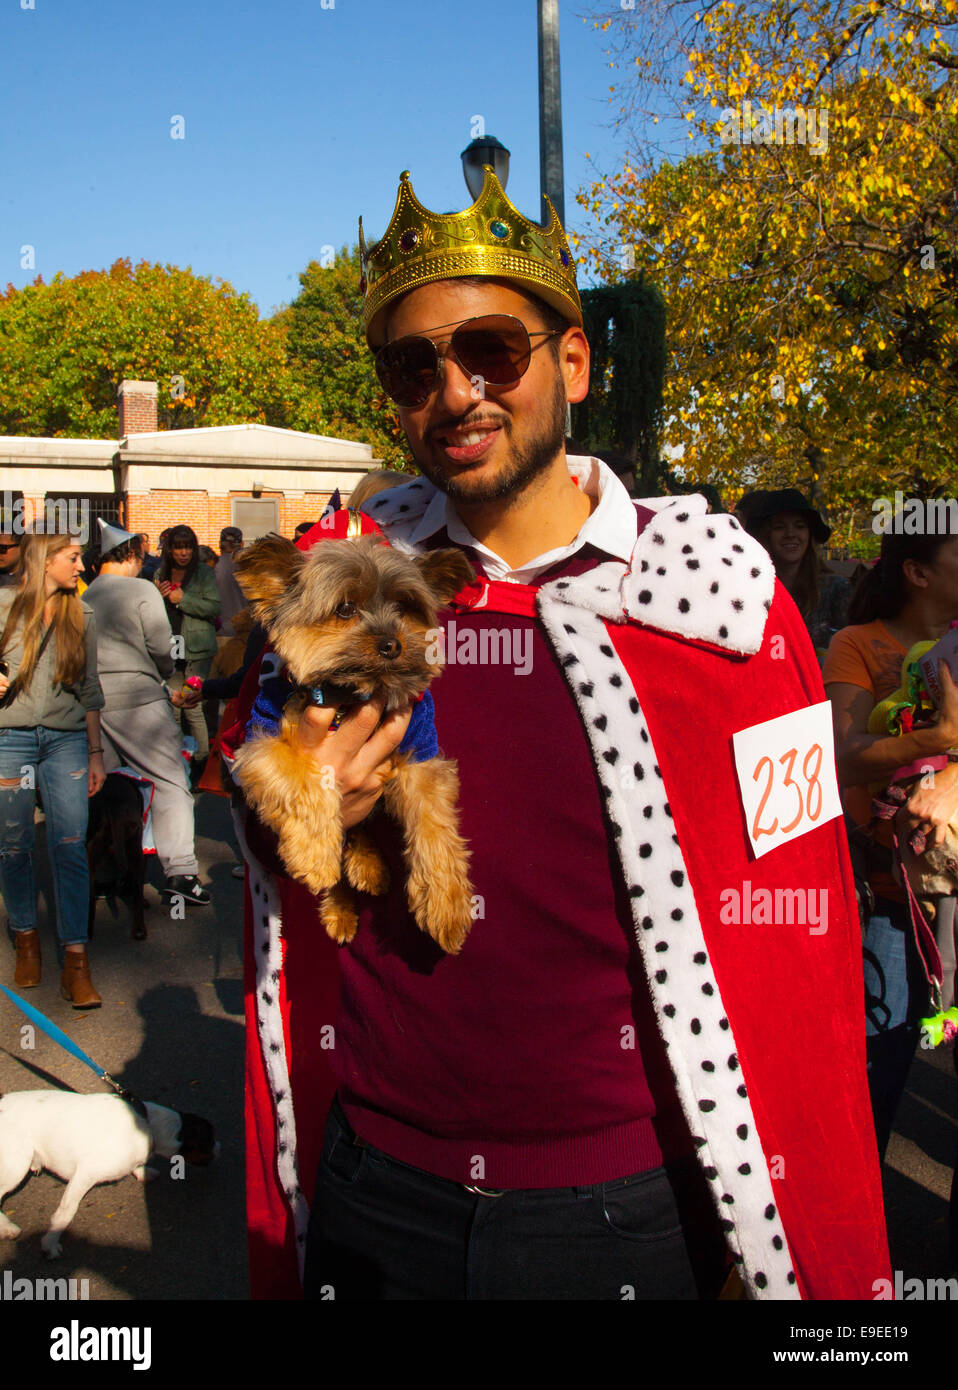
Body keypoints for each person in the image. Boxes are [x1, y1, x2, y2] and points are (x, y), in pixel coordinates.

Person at [230, 166, 890, 1300]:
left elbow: (798, 917)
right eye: (413, 365)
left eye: (492, 349)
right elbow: (255, 829)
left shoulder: (718, 602)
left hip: (622, 1216)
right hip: (374, 1183)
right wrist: (289, 812)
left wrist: (757, 1220)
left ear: (572, 361)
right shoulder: (341, 582)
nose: (456, 392)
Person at [823, 522, 958, 1156]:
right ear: (918, 571)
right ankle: (857, 1246)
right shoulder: (857, 644)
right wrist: (932, 740)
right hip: (892, 904)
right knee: (870, 1088)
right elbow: (844, 759)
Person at [0, 531, 106, 1007]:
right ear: (46, 562)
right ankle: (26, 940)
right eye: (73, 558)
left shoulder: (82, 614)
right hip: (10, 738)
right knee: (15, 844)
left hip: (65, 743)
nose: (81, 567)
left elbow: (90, 689)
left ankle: (75, 961)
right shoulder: (4, 605)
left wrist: (97, 752)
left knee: (69, 846)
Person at [83, 520, 211, 908]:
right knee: (171, 783)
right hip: (140, 699)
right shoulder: (141, 589)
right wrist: (161, 674)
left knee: (103, 788)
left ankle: (105, 871)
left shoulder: (84, 595)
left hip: (93, 704)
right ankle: (181, 874)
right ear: (132, 556)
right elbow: (161, 647)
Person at [739, 488, 850, 653]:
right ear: (766, 535)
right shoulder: (747, 589)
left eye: (799, 526)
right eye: (779, 527)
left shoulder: (835, 589)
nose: (790, 534)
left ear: (809, 534)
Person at [155, 525, 220, 788]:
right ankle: (173, 761)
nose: (183, 553)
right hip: (170, 648)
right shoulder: (160, 573)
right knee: (171, 708)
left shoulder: (204, 573)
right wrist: (159, 598)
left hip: (198, 649)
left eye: (188, 547)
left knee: (192, 706)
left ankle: (201, 763)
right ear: (169, 549)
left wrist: (182, 599)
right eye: (178, 547)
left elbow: (214, 607)